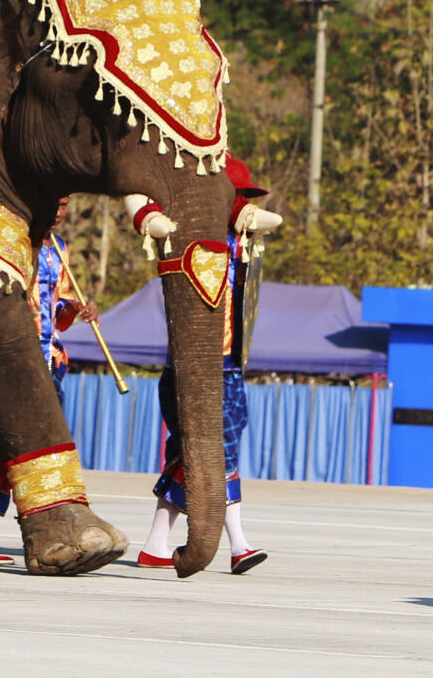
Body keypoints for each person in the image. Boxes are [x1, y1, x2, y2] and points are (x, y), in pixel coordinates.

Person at [140, 157, 279, 572]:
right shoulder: (193, 241)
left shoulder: (244, 248)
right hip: (196, 370)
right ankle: (238, 543)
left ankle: (155, 543)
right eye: (239, 199)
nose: (244, 208)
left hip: (230, 366)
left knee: (190, 455)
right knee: (220, 452)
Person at [0, 206, 87, 564]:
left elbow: (56, 312)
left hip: (50, 359)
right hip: (18, 358)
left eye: (64, 206)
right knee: (15, 448)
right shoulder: (16, 241)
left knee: (23, 451)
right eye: (54, 204)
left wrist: (75, 312)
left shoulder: (59, 247)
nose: (59, 212)